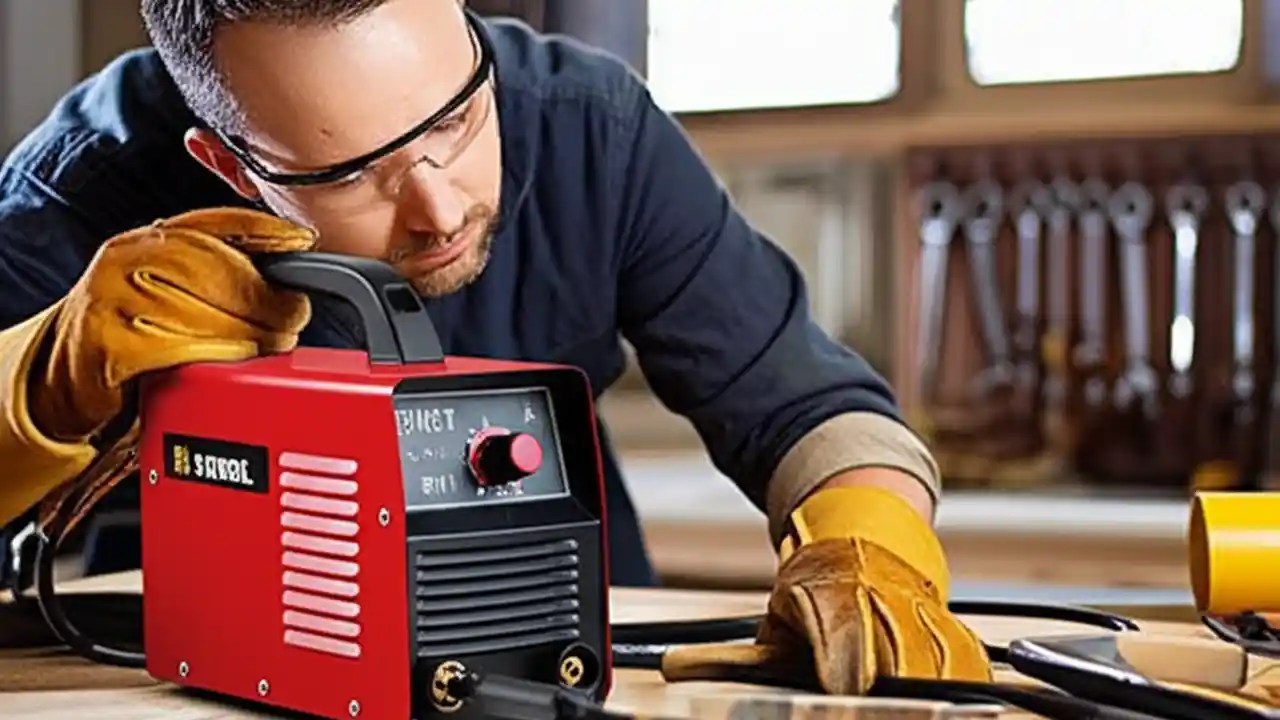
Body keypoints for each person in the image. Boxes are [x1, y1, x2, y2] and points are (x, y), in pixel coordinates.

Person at [0, 0, 990, 693]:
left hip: (553, 648)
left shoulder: (590, 129)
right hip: (172, 672)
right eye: (350, 172)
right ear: (225, 161)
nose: (436, 208)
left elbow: (808, 408)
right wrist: (39, 388)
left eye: (455, 117)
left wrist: (869, 546)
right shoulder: (78, 193)